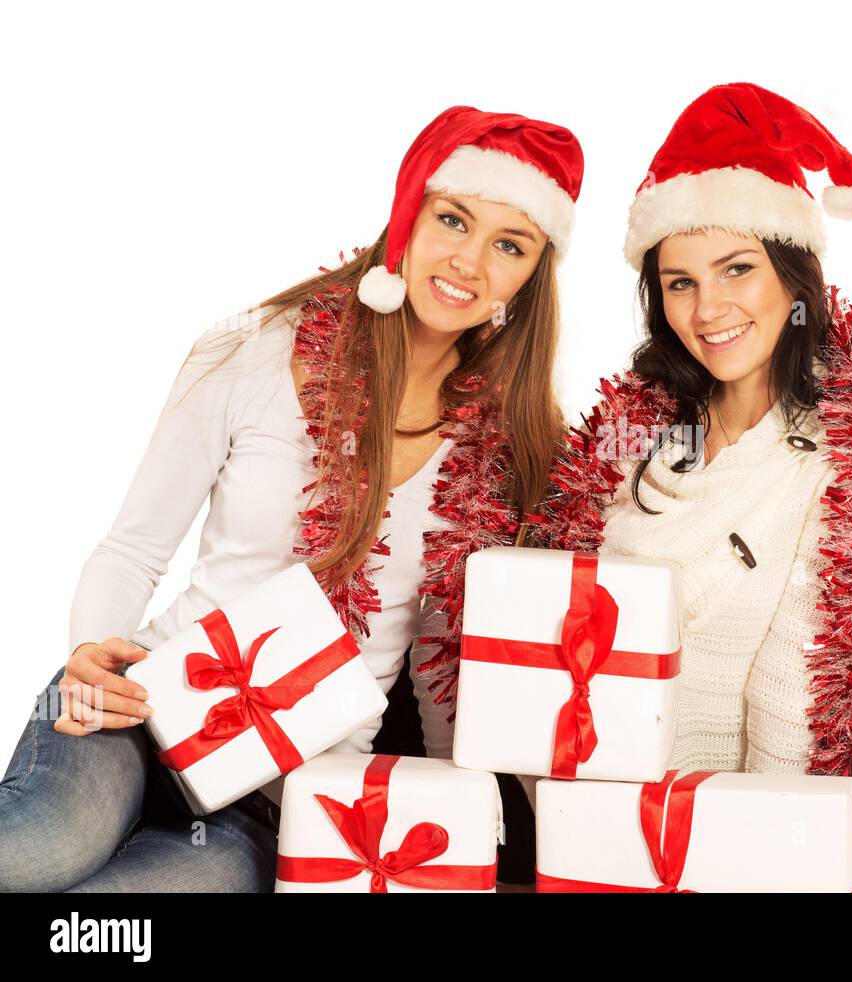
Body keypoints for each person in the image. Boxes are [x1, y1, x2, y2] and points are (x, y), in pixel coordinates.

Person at [0, 105, 584, 891]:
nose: (470, 262)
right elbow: (134, 548)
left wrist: (460, 817)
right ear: (411, 212)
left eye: (508, 244)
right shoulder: (252, 348)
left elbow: (448, 665)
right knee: (40, 852)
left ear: (530, 276)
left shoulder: (509, 447)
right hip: (138, 705)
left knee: (119, 912)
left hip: (278, 795)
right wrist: (91, 650)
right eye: (453, 219)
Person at [524, 83, 852, 789]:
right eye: (680, 283)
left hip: (729, 839)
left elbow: (793, 706)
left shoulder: (845, 467)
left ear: (795, 279)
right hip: (577, 821)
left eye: (737, 269)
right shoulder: (628, 438)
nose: (709, 309)